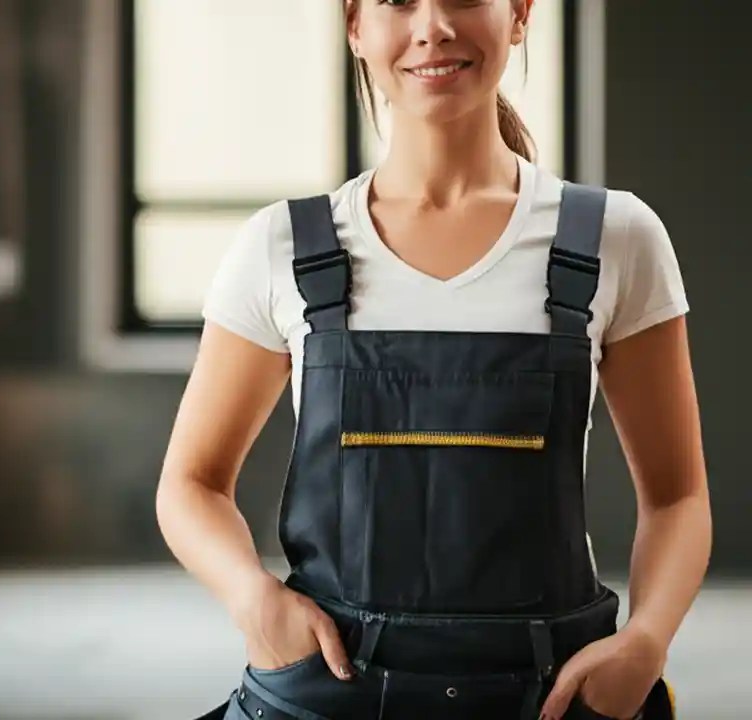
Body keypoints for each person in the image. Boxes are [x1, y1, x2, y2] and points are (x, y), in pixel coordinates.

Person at [155, 1, 711, 718]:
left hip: (547, 695)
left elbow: (677, 499)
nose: (433, 26)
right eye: (395, 2)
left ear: (518, 15)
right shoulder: (282, 248)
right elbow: (190, 484)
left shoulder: (615, 238)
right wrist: (253, 600)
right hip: (328, 693)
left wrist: (646, 642)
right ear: (354, 26)